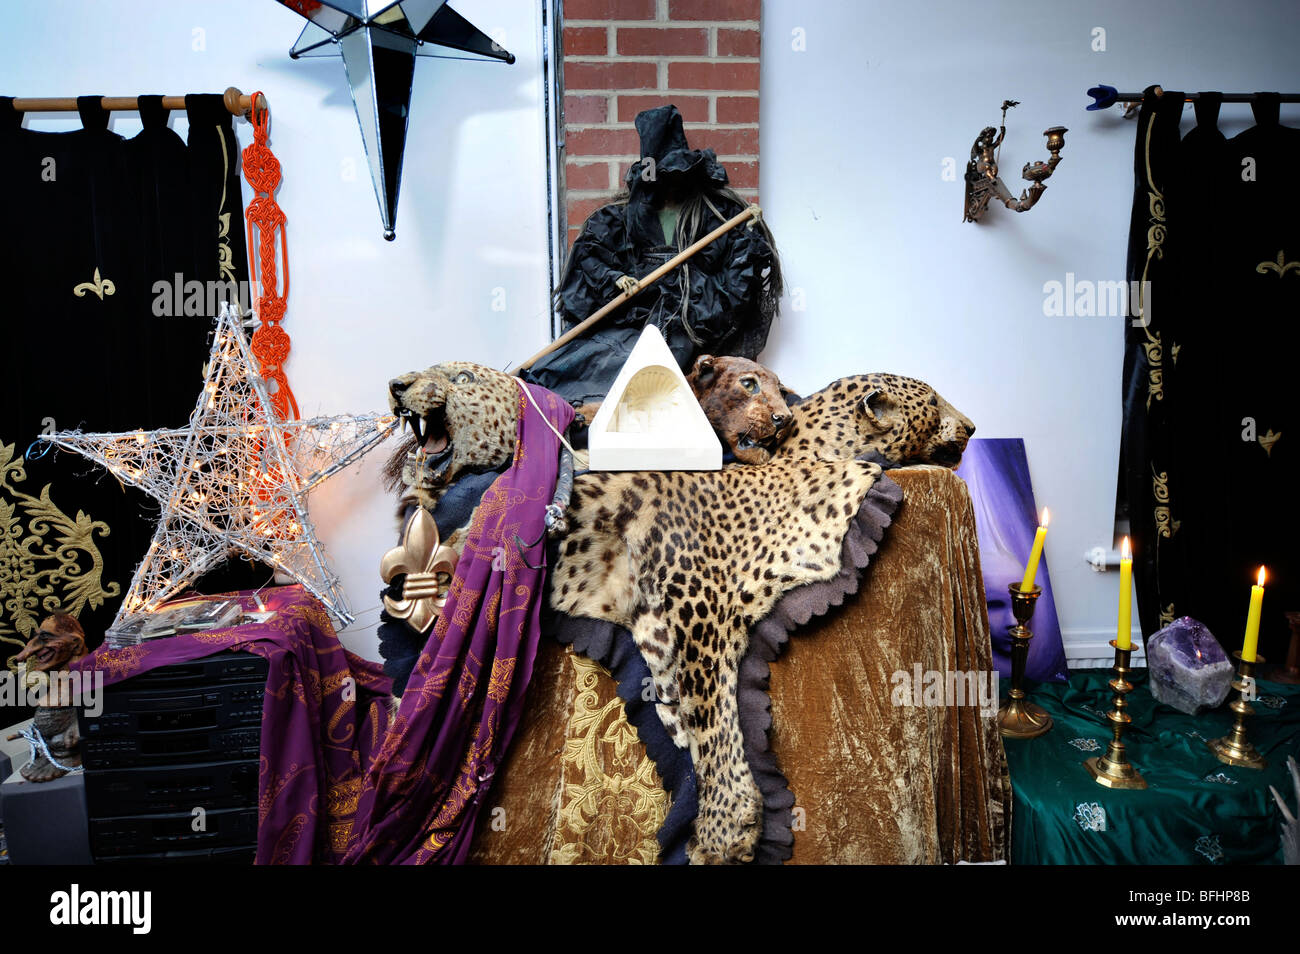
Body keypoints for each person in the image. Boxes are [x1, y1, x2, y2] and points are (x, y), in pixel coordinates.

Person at [522, 104, 783, 407]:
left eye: (677, 176)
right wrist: (615, 278)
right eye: (663, 177)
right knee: (593, 360)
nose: (670, 185)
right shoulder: (618, 220)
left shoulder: (716, 216)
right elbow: (591, 257)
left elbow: (731, 287)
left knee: (649, 369)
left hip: (685, 323)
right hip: (632, 321)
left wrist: (747, 236)